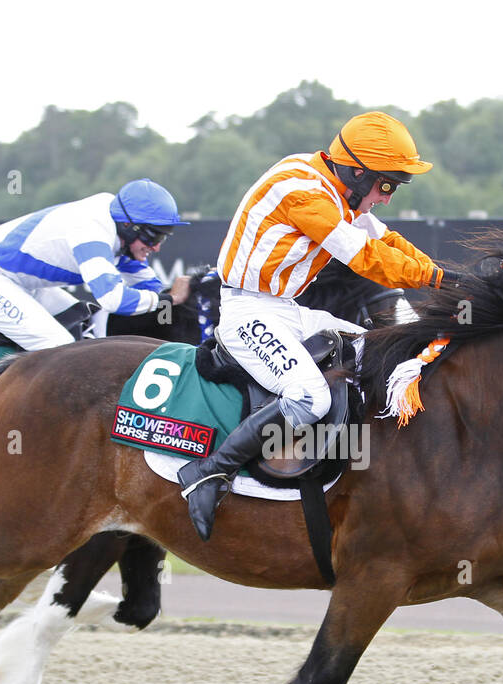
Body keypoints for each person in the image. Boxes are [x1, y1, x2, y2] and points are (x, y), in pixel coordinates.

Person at [177, 111, 452, 540]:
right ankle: (209, 472)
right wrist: (437, 280)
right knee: (310, 397)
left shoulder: (337, 189)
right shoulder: (304, 191)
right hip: (247, 312)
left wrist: (447, 272)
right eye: (386, 185)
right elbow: (363, 256)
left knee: (380, 349)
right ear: (357, 172)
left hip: (285, 308)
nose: (387, 196)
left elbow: (386, 241)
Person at [0, 178, 192, 350]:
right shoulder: (92, 231)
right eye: (154, 237)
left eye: (163, 238)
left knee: (92, 325)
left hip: (21, 282)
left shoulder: (121, 229)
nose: (156, 247)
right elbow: (113, 299)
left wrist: (186, 293)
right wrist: (169, 299)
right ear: (130, 226)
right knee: (59, 347)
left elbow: (149, 287)